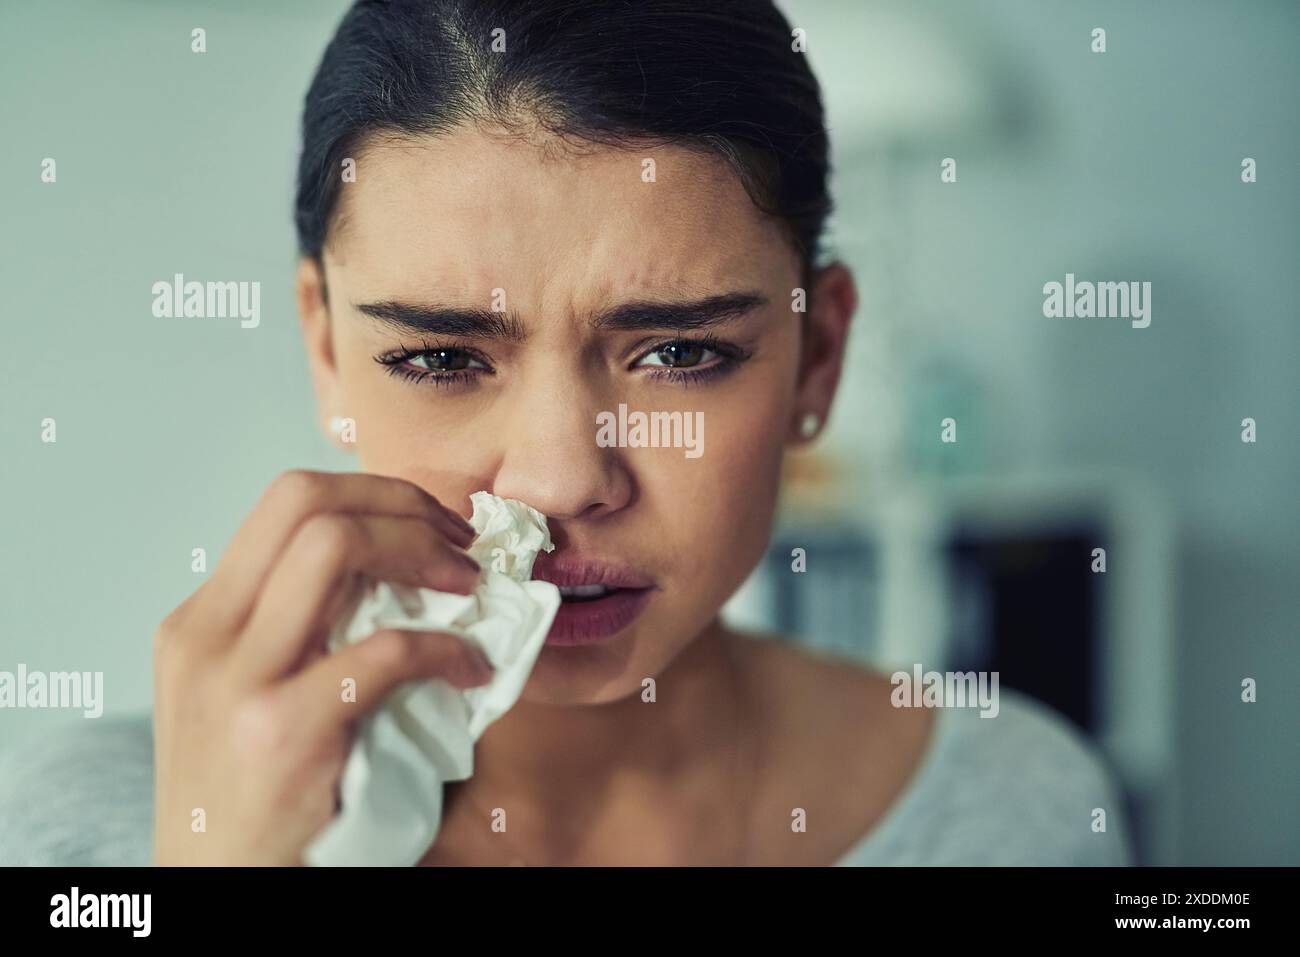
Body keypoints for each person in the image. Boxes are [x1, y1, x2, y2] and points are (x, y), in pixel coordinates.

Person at [0, 0, 1131, 867]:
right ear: (327, 352)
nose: (558, 481)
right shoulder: (102, 835)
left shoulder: (1012, 807)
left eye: (681, 352)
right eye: (440, 359)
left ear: (817, 358)